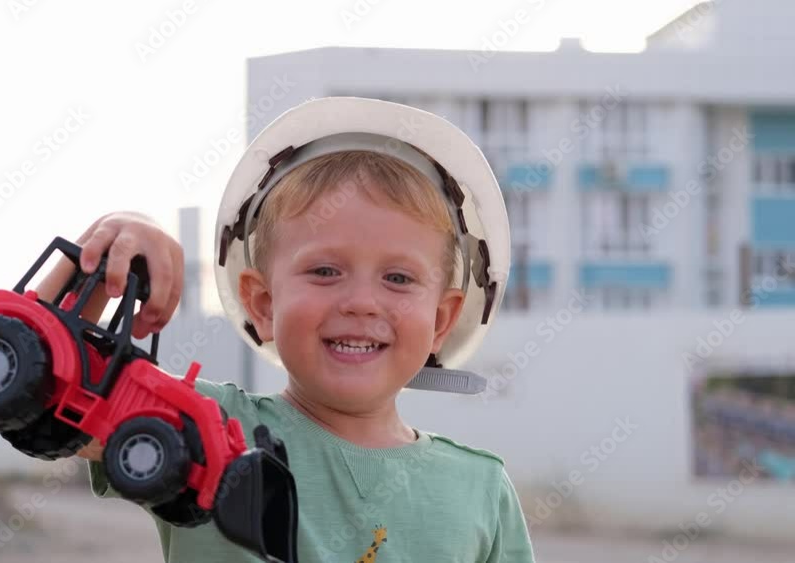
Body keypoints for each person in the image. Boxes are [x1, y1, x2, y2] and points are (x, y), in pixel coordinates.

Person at [42, 97, 535, 562]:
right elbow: (39, 387)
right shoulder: (207, 423)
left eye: (398, 278)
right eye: (324, 271)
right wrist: (112, 246)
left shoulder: (481, 489)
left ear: (441, 321)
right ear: (263, 303)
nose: (361, 302)